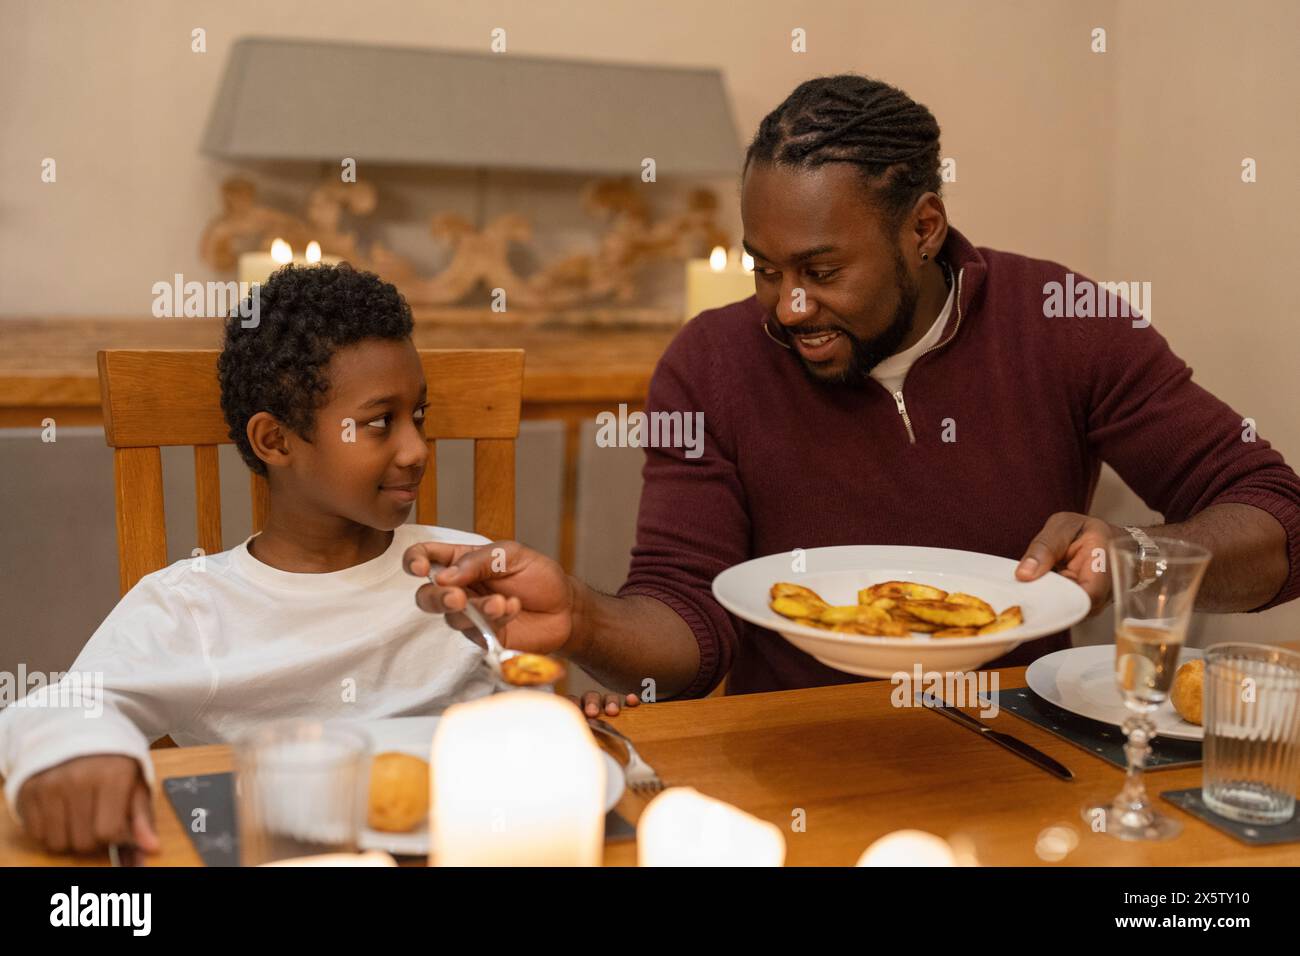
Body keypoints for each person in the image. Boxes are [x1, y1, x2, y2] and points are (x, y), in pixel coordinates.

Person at [405, 74, 1300, 703]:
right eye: (765, 269)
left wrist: (1137, 562)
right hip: (789, 743)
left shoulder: (1060, 322)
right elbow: (688, 620)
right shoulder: (709, 363)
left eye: (823, 269)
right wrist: (587, 620)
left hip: (1017, 745)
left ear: (923, 228)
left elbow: (1277, 516)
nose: (789, 307)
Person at [0, 264, 630, 857]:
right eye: (380, 422)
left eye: (419, 416)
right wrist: (76, 750)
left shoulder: (462, 571)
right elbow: (61, 706)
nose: (415, 449)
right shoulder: (194, 606)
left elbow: (507, 711)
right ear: (275, 440)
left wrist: (559, 720)